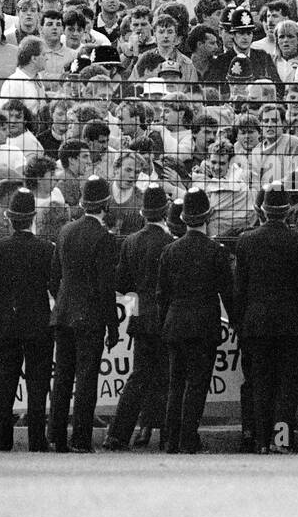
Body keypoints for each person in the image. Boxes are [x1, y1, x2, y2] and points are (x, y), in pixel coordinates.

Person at [233, 180, 298, 453]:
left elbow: (239, 289)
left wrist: (240, 324)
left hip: (256, 325)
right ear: (286, 211)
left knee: (260, 384)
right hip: (292, 327)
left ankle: (261, 442)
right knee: (287, 387)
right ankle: (281, 439)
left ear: (263, 209)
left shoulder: (246, 241)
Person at [0, 188, 60, 452]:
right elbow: (55, 289)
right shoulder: (47, 249)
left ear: (9, 218)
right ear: (33, 217)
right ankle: (37, 439)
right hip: (37, 325)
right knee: (37, 385)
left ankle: (2, 439)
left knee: (4, 386)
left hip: (4, 324)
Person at [157, 187, 236, 454]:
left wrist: (164, 322)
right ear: (209, 215)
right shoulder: (216, 251)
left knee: (176, 383)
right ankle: (189, 438)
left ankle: (170, 440)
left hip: (175, 324)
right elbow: (228, 291)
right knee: (197, 384)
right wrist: (236, 321)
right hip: (203, 326)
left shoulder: (169, 251)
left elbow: (162, 295)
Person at [50, 174, 120, 453]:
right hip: (89, 317)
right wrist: (112, 327)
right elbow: (106, 287)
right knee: (86, 379)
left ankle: (56, 435)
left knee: (63, 377)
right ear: (105, 204)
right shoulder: (104, 238)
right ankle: (80, 438)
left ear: (82, 202)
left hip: (64, 313)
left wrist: (63, 300)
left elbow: (54, 276)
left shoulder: (65, 231)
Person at [104, 185, 173, 450]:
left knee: (139, 377)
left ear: (143, 213)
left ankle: (118, 434)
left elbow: (121, 284)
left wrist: (137, 305)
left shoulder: (130, 242)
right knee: (167, 378)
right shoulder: (170, 244)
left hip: (140, 316)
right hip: (165, 317)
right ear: (165, 212)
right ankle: (168, 437)